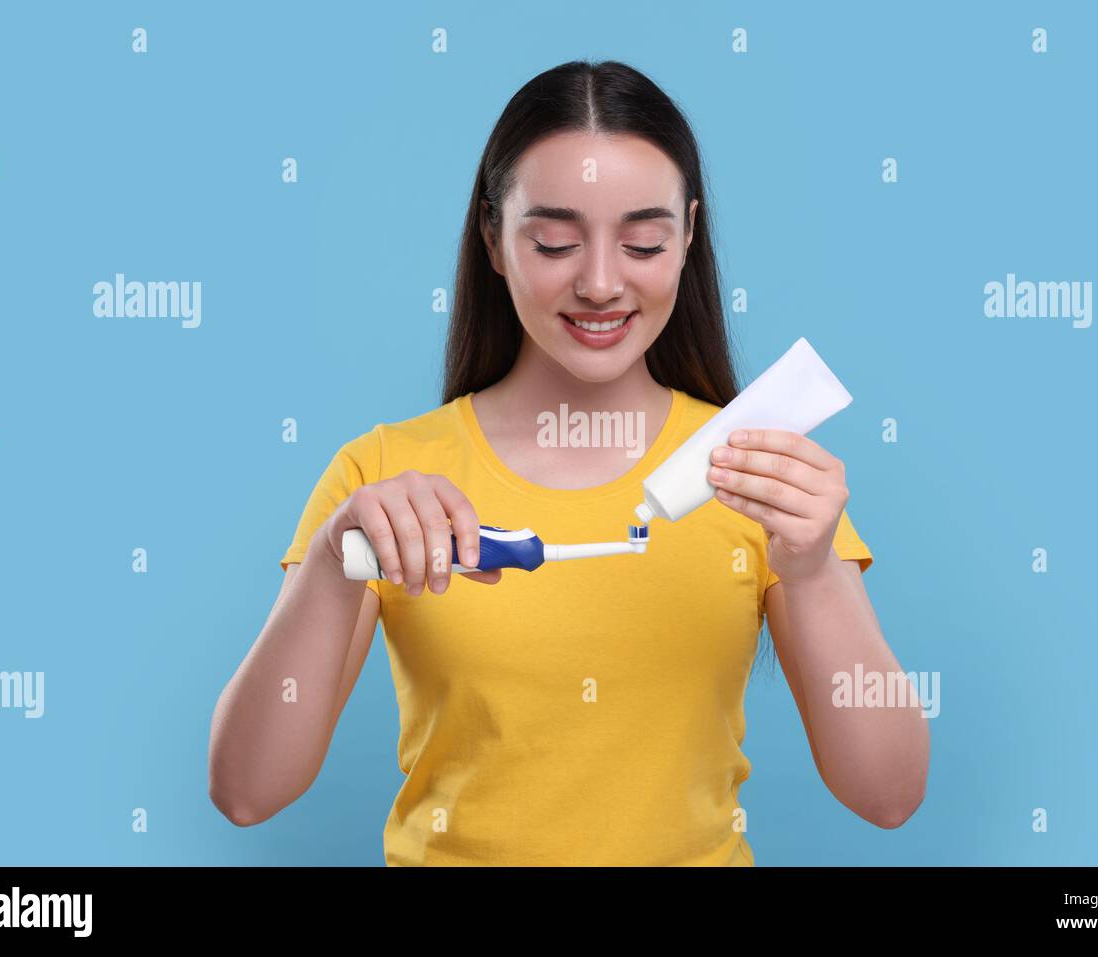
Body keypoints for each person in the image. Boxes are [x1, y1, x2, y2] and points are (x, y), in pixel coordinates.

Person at [208, 59, 928, 866]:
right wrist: (334, 563)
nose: (598, 282)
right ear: (492, 237)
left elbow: (889, 794)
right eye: (553, 240)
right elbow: (246, 790)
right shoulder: (383, 474)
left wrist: (815, 569)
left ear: (689, 236)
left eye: (643, 241)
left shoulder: (759, 474)